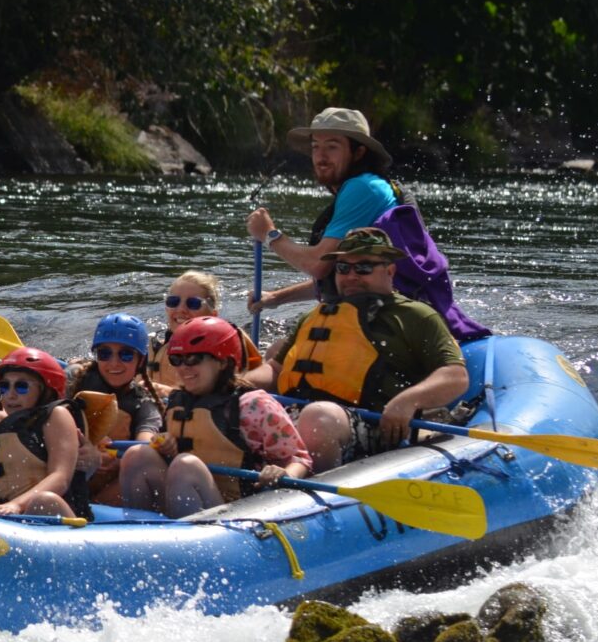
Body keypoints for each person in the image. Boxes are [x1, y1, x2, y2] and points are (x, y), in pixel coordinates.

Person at [246, 107, 490, 342]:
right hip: (384, 313)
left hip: (396, 323)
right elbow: (349, 275)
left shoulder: (362, 188)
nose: (321, 156)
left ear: (359, 152)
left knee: (277, 350)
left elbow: (318, 264)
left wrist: (269, 234)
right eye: (315, 146)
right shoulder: (366, 188)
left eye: (332, 146)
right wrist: (275, 298)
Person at [244, 227, 470, 470]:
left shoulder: (415, 316)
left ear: (390, 270)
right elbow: (276, 371)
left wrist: (408, 401)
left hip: (371, 424)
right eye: (343, 268)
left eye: (363, 267)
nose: (351, 276)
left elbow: (455, 376)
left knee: (319, 417)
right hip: (297, 414)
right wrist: (238, 383)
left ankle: (310, 490)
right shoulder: (315, 315)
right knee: (239, 404)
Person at [118, 316, 311, 518]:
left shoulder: (254, 406)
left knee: (186, 466)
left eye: (194, 359)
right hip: (187, 497)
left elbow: (300, 459)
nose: (183, 368)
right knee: (137, 455)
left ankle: (186, 539)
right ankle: (138, 529)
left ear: (222, 362)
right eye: (177, 359)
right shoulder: (178, 402)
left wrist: (284, 473)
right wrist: (167, 444)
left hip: (239, 512)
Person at [65, 313, 163, 505]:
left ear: (140, 361)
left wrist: (115, 459)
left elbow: (145, 446)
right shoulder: (73, 379)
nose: (114, 363)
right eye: (105, 353)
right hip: (64, 469)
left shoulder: (144, 403)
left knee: (140, 458)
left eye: (125, 354)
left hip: (105, 489)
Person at [0, 347, 85, 518]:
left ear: (45, 390)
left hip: (49, 516)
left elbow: (61, 476)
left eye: (21, 387)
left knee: (44, 501)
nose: (10, 395)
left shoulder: (56, 416)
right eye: (4, 386)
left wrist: (16, 505)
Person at [147, 271, 263, 398]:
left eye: (193, 303)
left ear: (213, 314)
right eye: (173, 301)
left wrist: (171, 394)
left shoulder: (227, 343)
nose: (180, 309)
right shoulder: (152, 346)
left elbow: (233, 393)